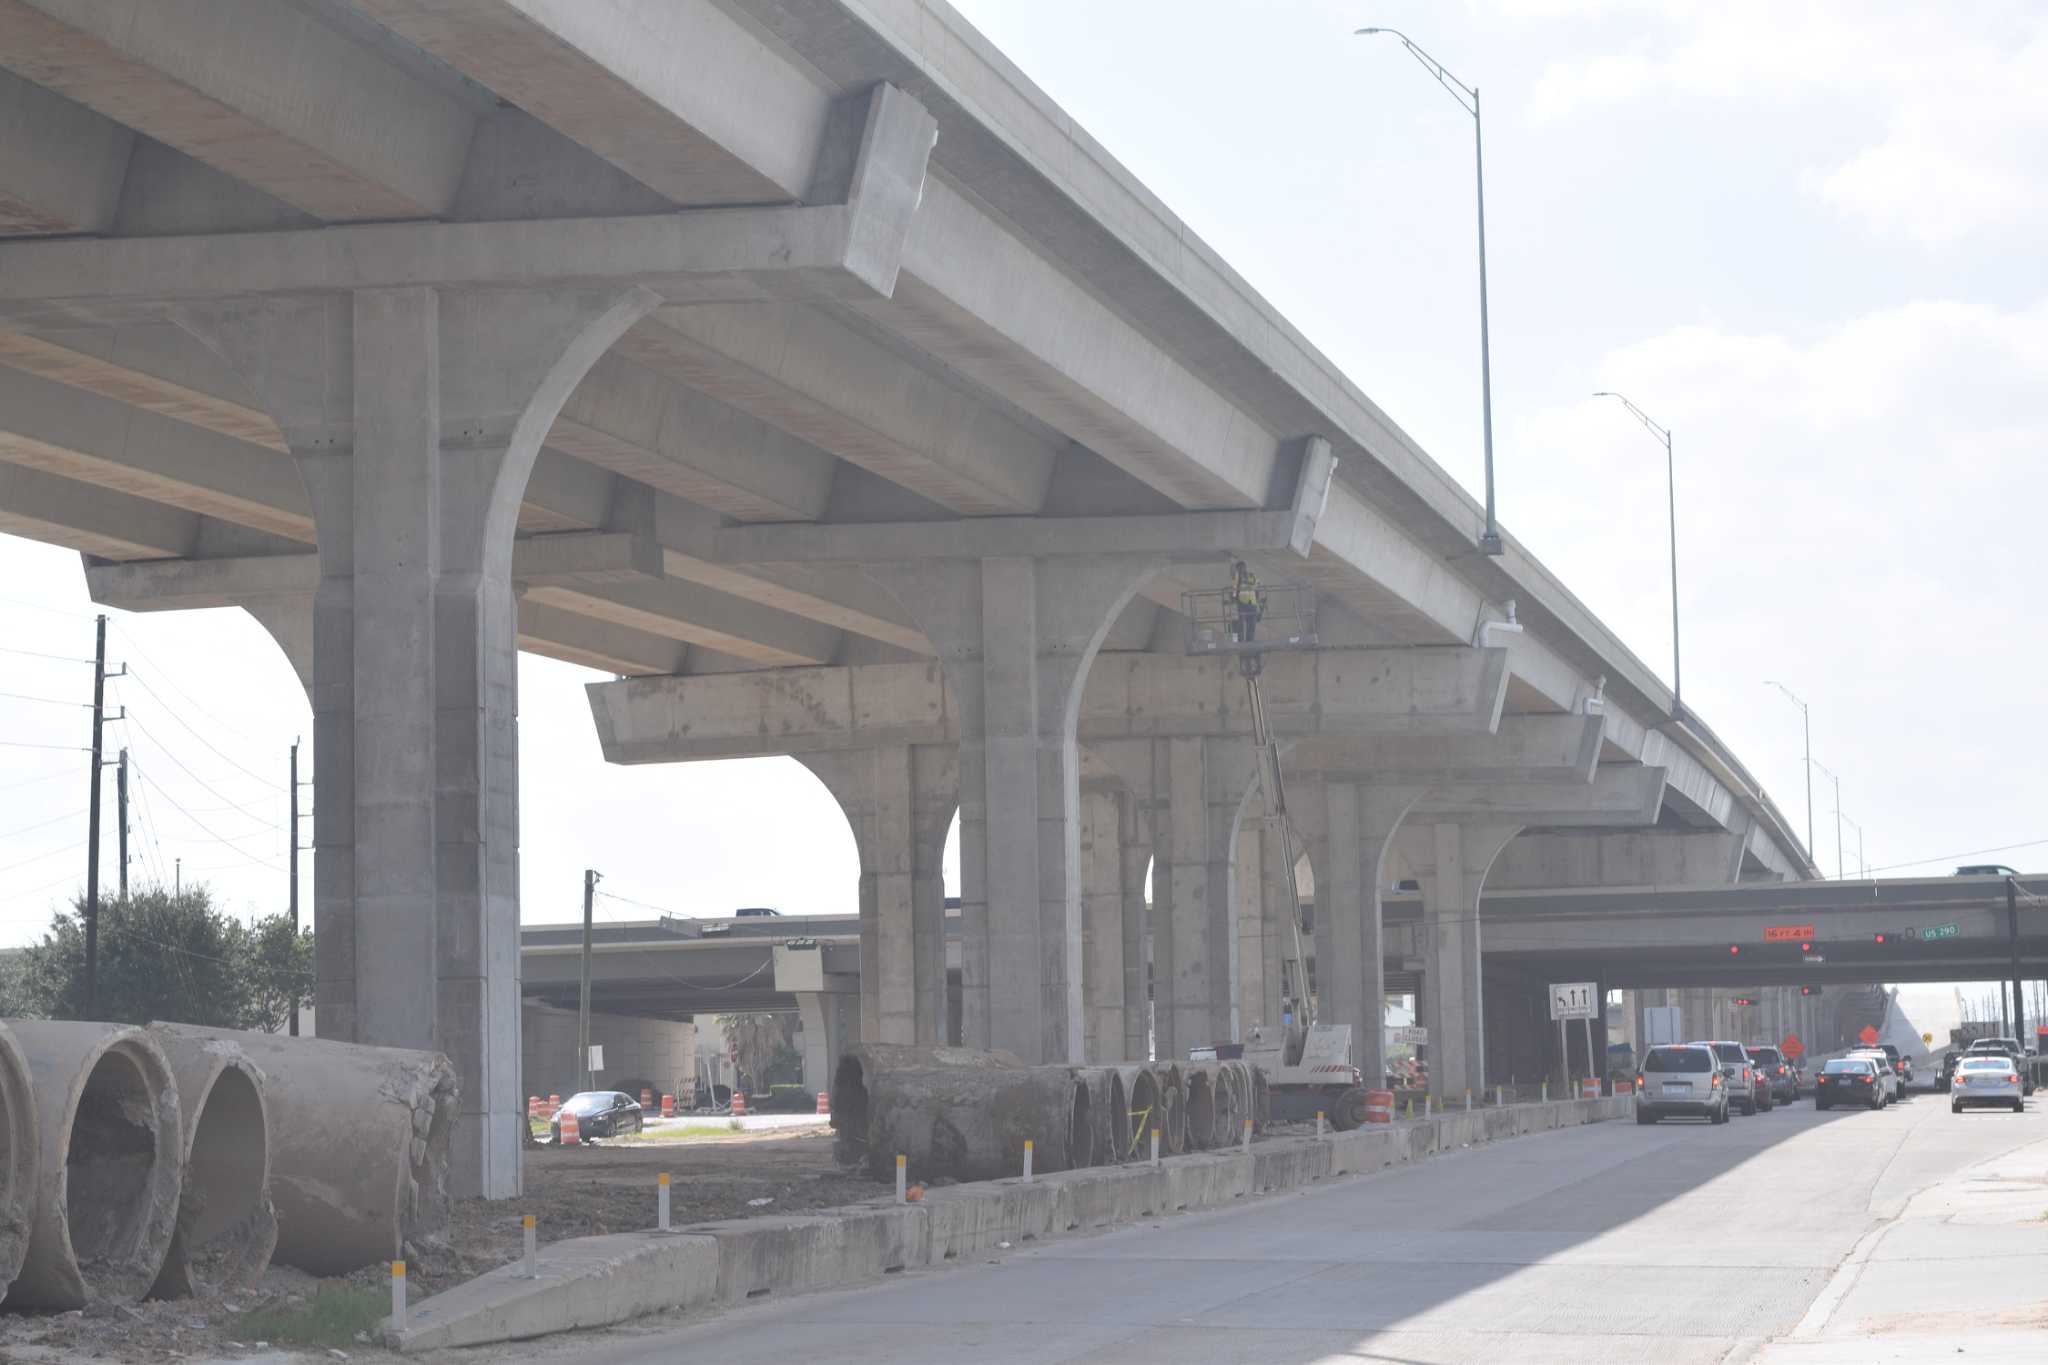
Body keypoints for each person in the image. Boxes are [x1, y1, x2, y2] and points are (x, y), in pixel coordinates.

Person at [1231, 561, 1263, 644]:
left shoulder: (1252, 576)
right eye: (1239, 569)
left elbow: (1258, 587)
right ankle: (1241, 642)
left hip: (1252, 603)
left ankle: (1250, 642)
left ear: (1245, 567)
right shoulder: (1237, 578)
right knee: (1240, 624)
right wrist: (1234, 601)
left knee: (1251, 625)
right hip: (1242, 604)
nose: (1241, 570)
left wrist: (1258, 601)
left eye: (1242, 568)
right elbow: (1234, 590)